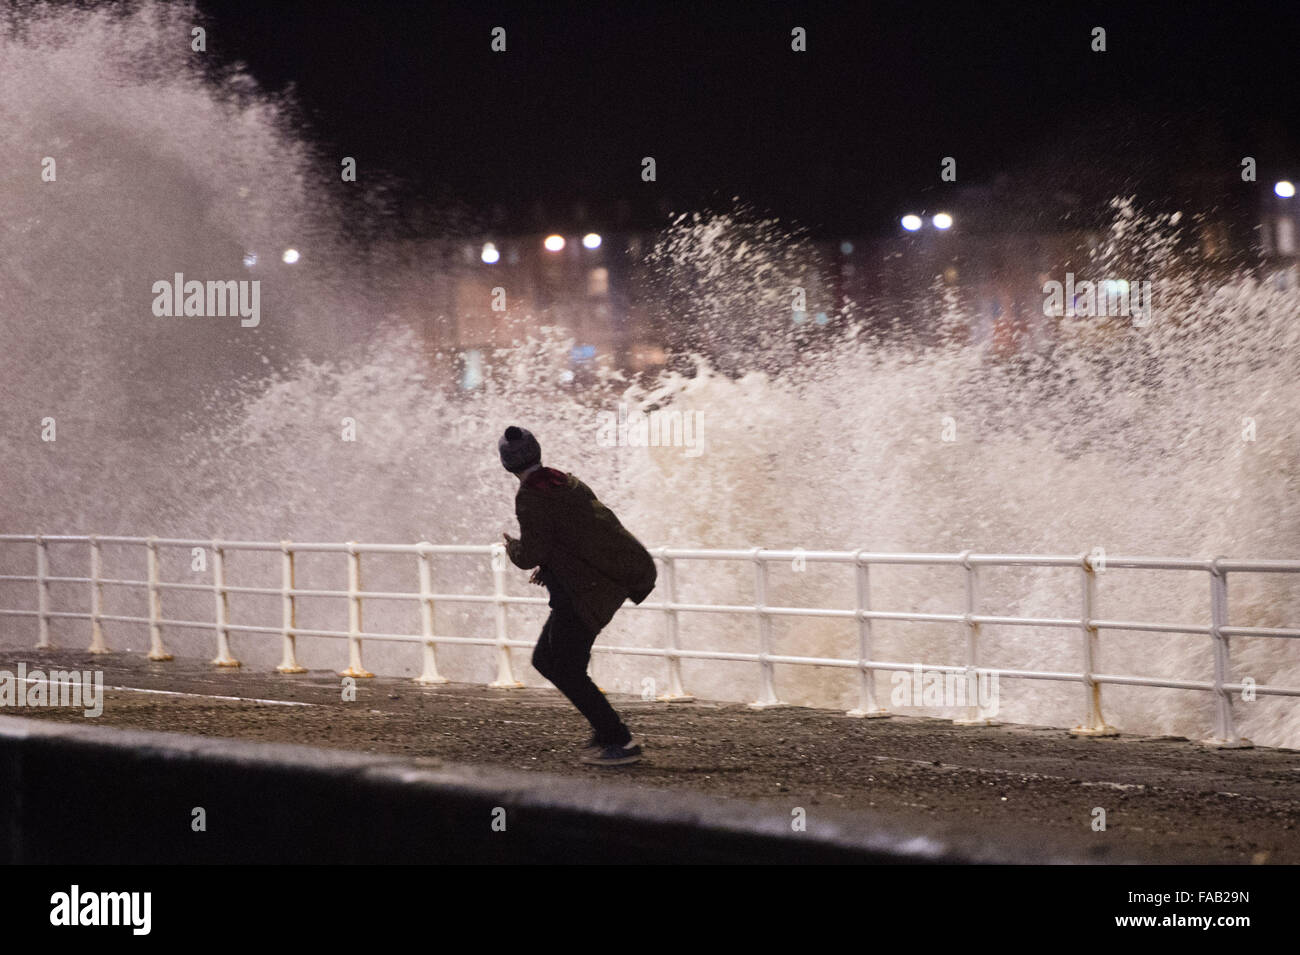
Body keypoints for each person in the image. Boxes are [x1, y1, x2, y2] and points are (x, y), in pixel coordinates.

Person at [498, 425, 657, 766]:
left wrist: (512, 547)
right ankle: (605, 729)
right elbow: (579, 533)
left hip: (586, 595)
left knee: (567, 668)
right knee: (546, 659)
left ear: (507, 464)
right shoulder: (567, 481)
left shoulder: (530, 497)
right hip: (590, 587)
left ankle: (620, 740)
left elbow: (530, 553)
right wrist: (554, 567)